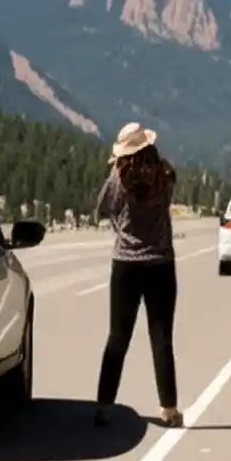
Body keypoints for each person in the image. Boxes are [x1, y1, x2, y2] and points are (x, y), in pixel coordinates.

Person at [92, 121, 183, 429]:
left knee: (117, 337)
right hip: (160, 263)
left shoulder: (117, 179)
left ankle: (104, 406)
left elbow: (102, 208)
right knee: (161, 338)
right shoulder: (166, 176)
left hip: (126, 264)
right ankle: (169, 408)